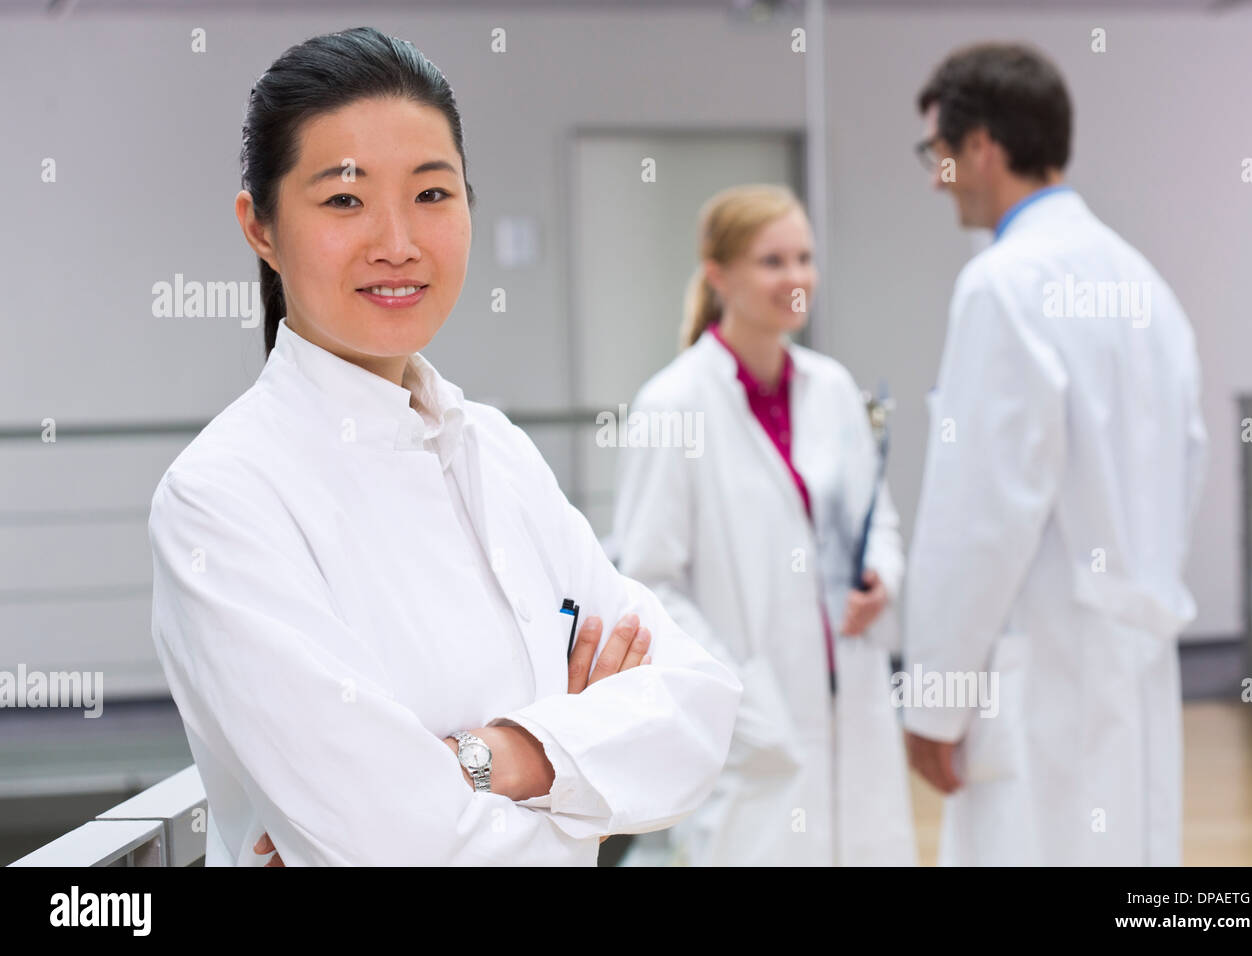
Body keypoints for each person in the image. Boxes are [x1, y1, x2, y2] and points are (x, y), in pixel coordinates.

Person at [147, 27, 741, 867]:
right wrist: (586, 780)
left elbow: (699, 705)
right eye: (344, 200)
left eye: (432, 194)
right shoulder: (222, 497)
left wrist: (486, 757)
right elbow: (401, 846)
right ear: (262, 228)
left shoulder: (496, 452)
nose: (398, 241)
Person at [902, 42, 1207, 865]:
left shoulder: (1003, 285)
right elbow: (1188, 466)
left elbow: (979, 519)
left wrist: (934, 698)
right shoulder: (1145, 284)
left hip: (1042, 677)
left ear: (982, 147)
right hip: (1133, 657)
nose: (937, 178)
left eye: (939, 154)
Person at [612, 184, 916, 866]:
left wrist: (881, 579)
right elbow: (650, 580)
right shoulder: (674, 405)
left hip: (855, 702)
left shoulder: (832, 388)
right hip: (757, 727)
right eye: (772, 261)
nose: (797, 278)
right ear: (719, 275)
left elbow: (882, 523)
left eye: (804, 258)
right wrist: (741, 697)